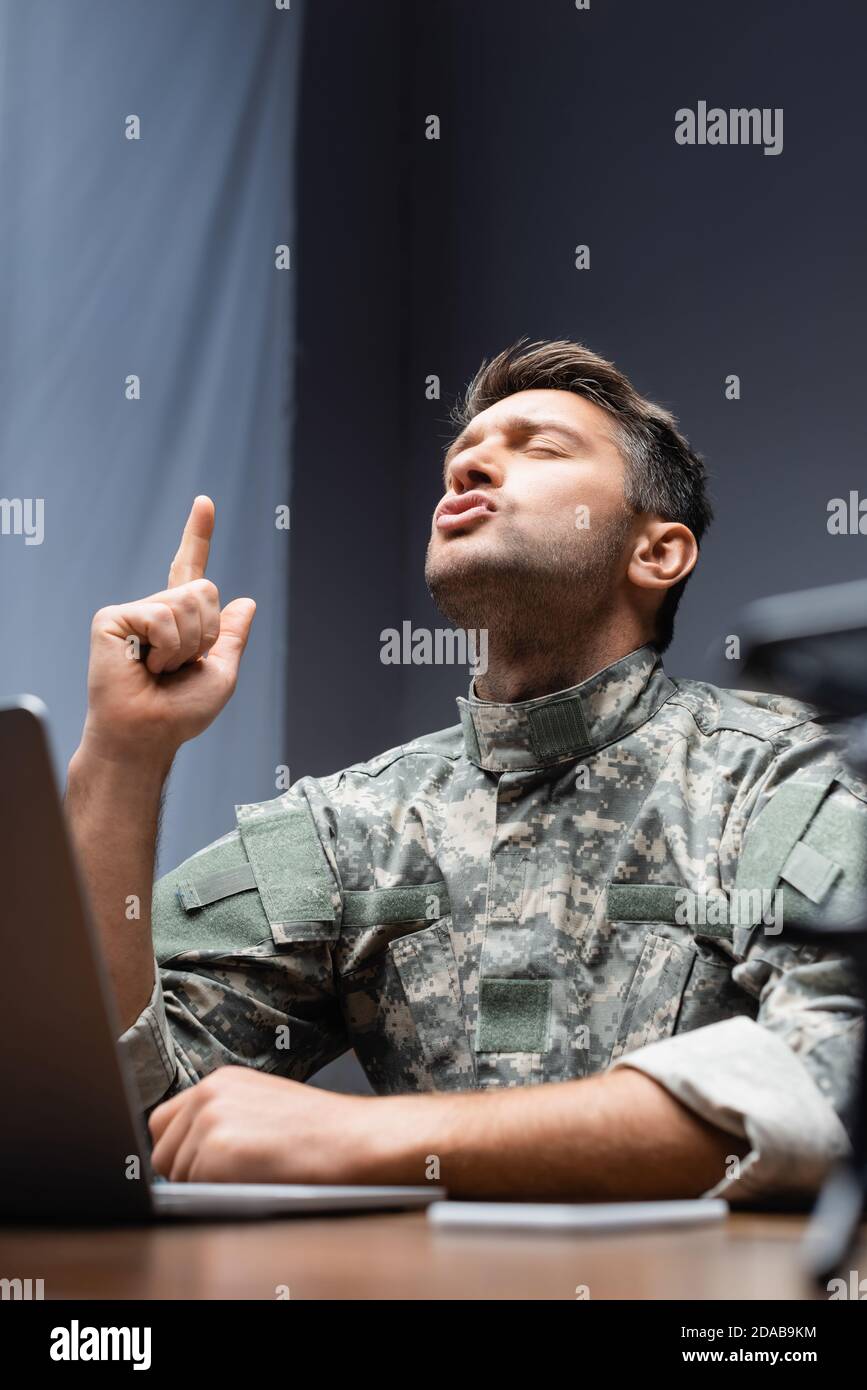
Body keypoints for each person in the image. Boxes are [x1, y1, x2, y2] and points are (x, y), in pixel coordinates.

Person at [65, 339, 866, 1202]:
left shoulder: (789, 774)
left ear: (656, 552)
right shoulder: (350, 826)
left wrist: (372, 1137)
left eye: (541, 447)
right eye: (460, 456)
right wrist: (124, 753)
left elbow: (834, 1080)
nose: (471, 465)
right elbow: (112, 1105)